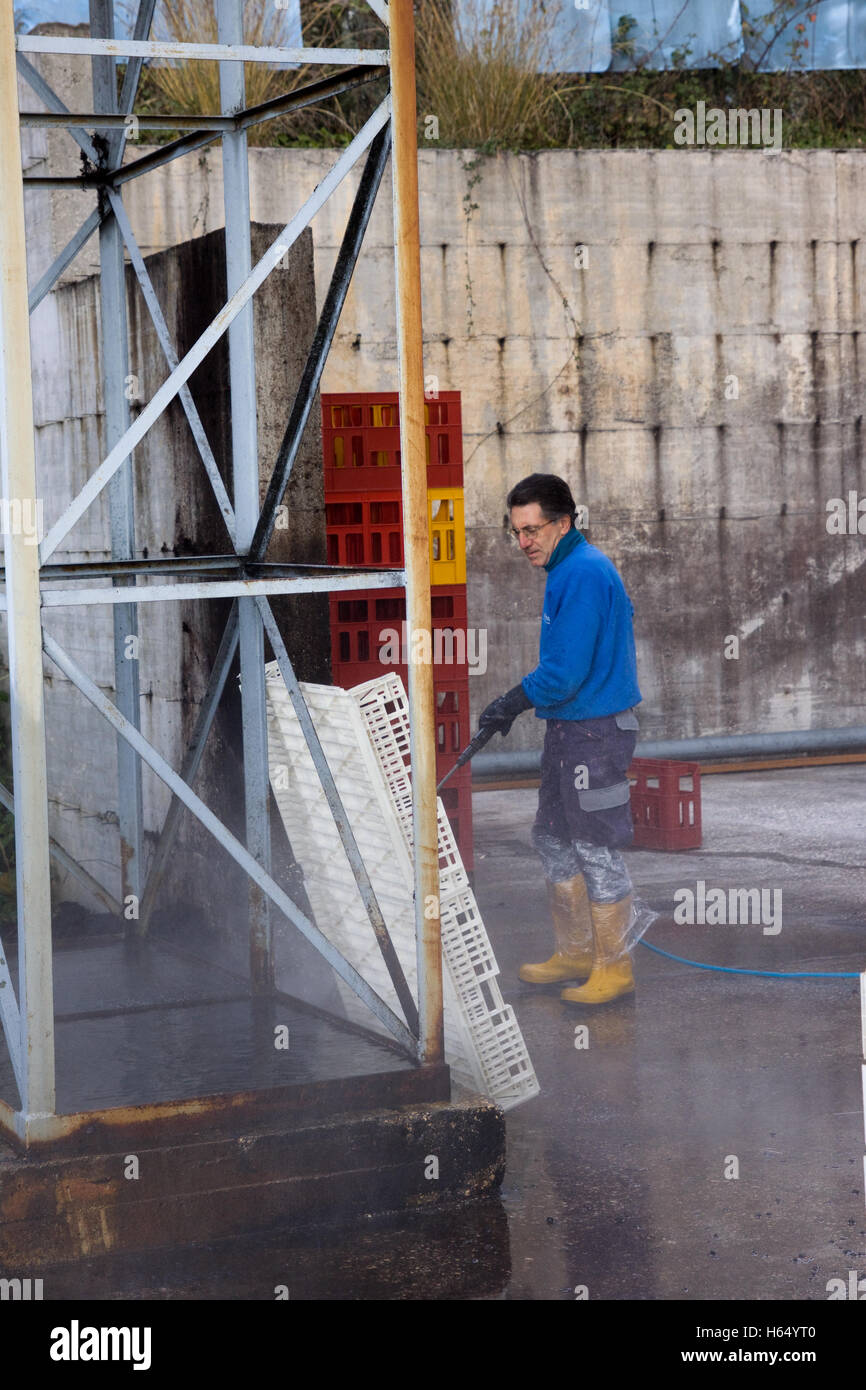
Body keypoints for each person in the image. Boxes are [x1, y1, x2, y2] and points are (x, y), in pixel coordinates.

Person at [478, 473, 642, 1005]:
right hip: (570, 730)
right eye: (517, 531)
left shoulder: (584, 573)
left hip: (596, 732)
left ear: (564, 523)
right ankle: (575, 953)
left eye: (533, 529)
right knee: (552, 835)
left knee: (594, 844)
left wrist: (510, 701)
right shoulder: (566, 569)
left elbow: (565, 672)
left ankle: (614, 968)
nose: (524, 541)